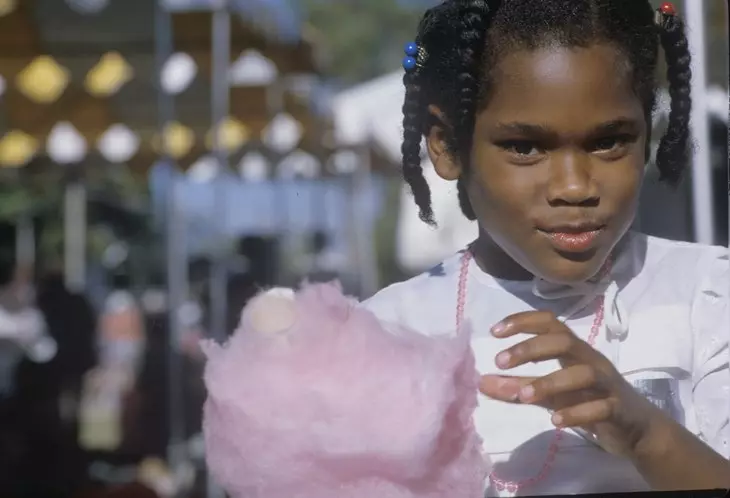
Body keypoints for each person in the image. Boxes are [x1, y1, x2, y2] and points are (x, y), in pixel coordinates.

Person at [362, 0, 729, 495]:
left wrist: (646, 435)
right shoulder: (384, 332)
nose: (575, 186)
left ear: (647, 134)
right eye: (524, 147)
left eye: (610, 141)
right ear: (447, 147)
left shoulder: (709, 297)